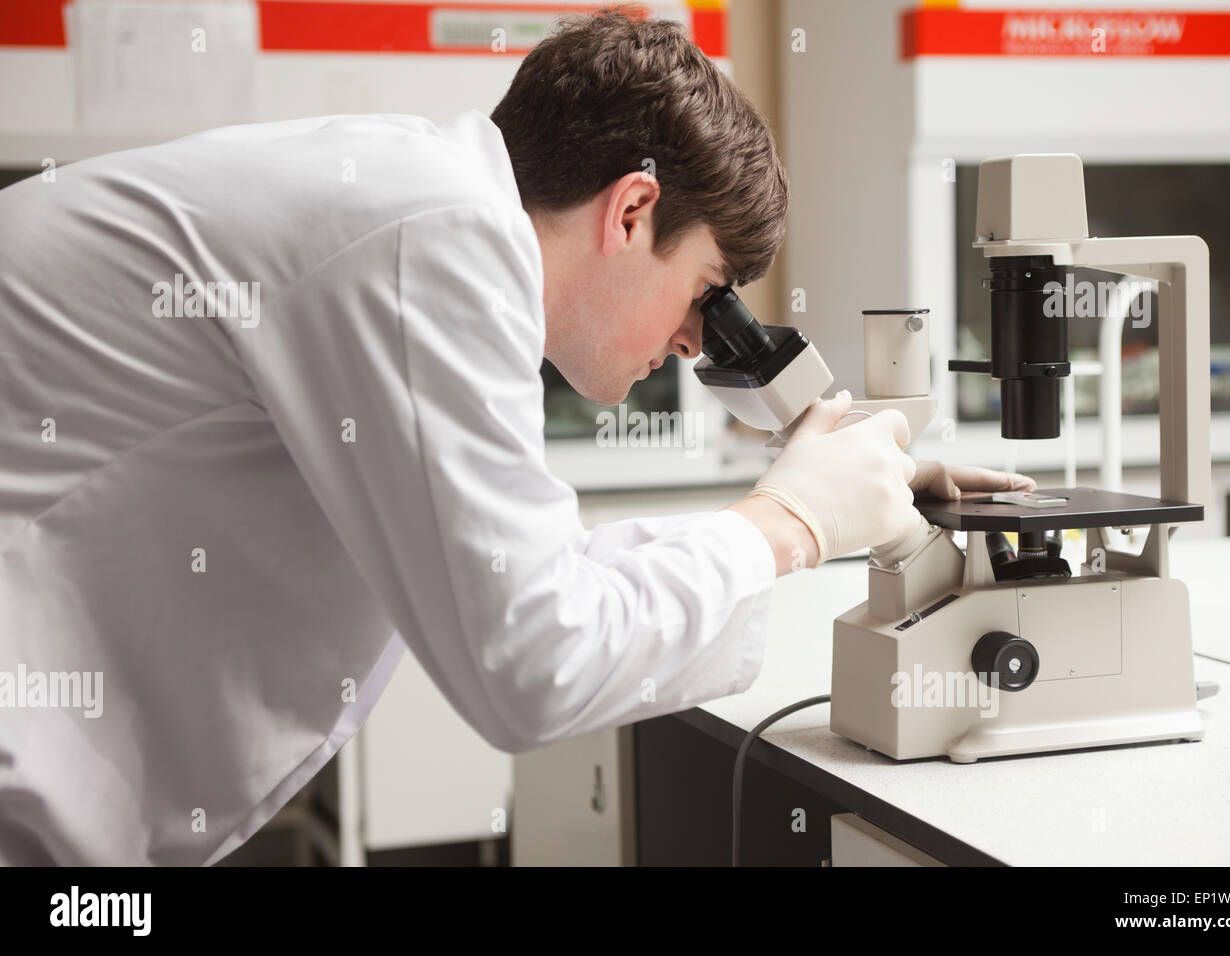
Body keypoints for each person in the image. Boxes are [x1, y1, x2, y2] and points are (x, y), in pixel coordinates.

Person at [0, 11, 1032, 865]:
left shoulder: (425, 204)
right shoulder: (436, 237)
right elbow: (532, 663)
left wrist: (829, 495)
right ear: (632, 210)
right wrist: (788, 519)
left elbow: (535, 578)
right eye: (705, 295)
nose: (689, 343)